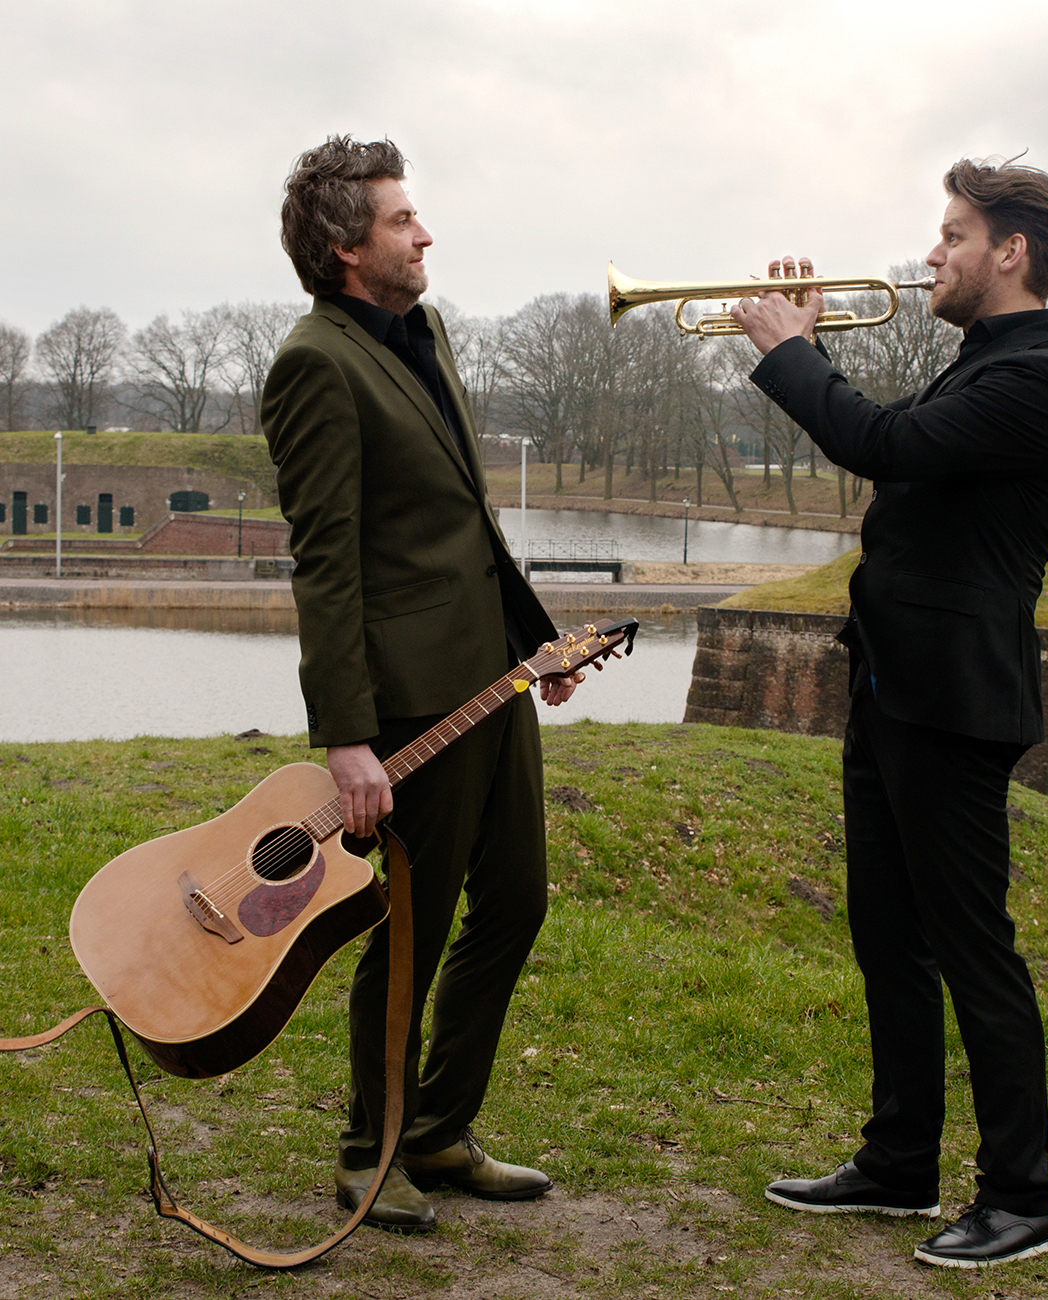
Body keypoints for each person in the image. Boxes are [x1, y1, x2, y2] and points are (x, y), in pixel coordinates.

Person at [729, 158, 1048, 1268]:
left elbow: (877, 446)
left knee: (972, 948)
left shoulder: (1039, 377)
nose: (930, 255)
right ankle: (896, 1161)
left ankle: (1017, 1195)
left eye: (951, 235)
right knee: (888, 937)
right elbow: (901, 447)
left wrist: (785, 351)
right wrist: (815, 352)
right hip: (891, 689)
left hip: (952, 705)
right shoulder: (982, 364)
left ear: (1009, 252)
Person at [262, 136, 582, 1232]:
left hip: (491, 678)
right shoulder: (315, 364)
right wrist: (346, 736)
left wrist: (535, 646)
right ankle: (371, 1147)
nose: (425, 231)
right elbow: (327, 561)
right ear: (349, 246)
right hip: (407, 706)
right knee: (412, 926)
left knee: (518, 901)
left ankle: (440, 1129)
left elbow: (464, 523)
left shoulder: (421, 334)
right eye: (403, 219)